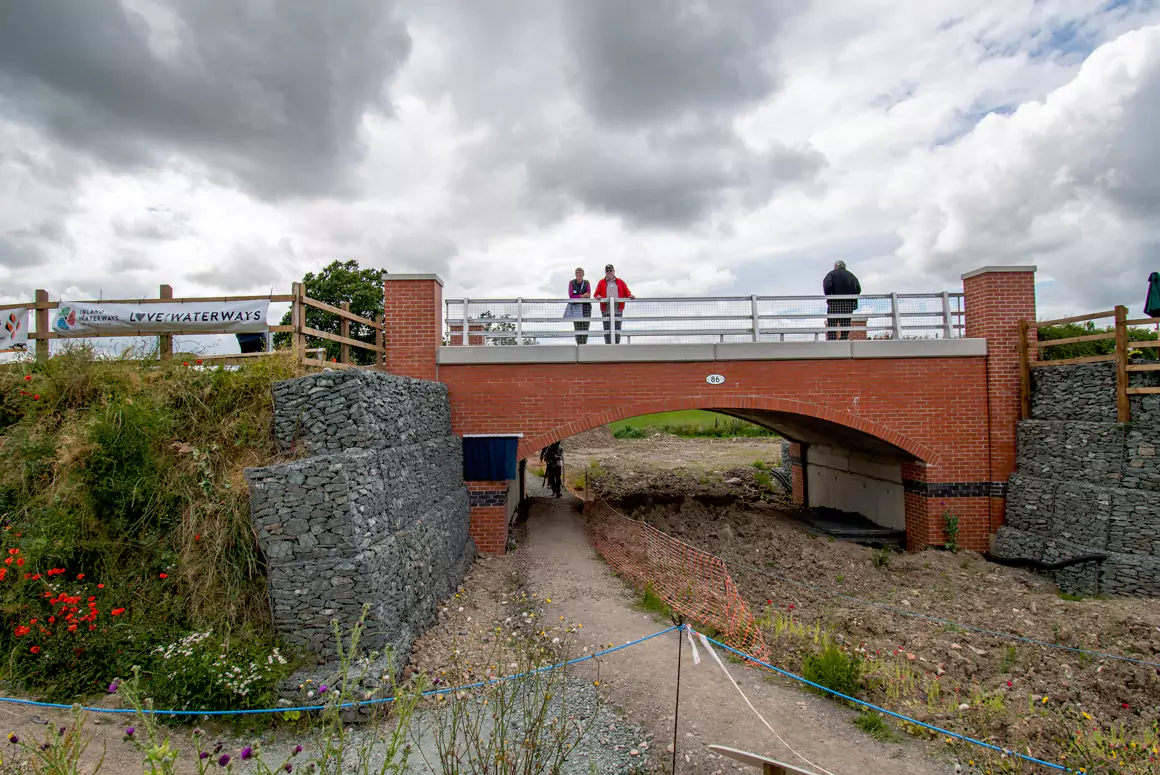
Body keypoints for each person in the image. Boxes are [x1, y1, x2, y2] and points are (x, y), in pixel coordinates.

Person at [593, 264, 634, 344]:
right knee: (607, 329)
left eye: (610, 270)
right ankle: (608, 346)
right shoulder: (601, 282)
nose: (609, 272)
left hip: (617, 309)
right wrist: (598, 296)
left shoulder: (620, 282)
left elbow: (627, 292)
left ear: (614, 271)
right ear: (605, 272)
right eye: (607, 271)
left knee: (617, 329)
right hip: (606, 310)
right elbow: (596, 294)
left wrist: (630, 295)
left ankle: (617, 345)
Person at [822, 260, 861, 340]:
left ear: (836, 266)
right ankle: (844, 338)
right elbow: (858, 289)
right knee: (845, 321)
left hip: (834, 303)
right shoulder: (852, 276)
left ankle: (832, 339)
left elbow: (827, 286)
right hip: (848, 304)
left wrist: (829, 296)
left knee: (832, 322)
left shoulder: (831, 274)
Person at [564, 267, 592, 344]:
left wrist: (578, 296)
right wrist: (582, 296)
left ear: (583, 274)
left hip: (586, 308)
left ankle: (584, 345)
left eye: (580, 273)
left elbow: (589, 295)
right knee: (577, 328)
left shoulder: (587, 282)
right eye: (577, 273)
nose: (578, 274)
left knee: (585, 328)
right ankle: (579, 345)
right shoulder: (571, 283)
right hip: (576, 308)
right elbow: (571, 296)